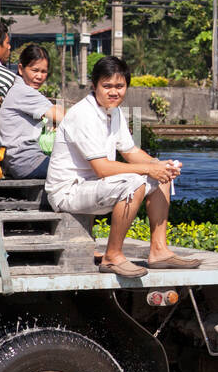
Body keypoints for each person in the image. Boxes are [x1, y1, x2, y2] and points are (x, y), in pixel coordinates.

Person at [46, 56, 199, 276]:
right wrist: (148, 169)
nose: (113, 92)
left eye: (119, 86)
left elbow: (130, 152)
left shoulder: (114, 111)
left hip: (96, 186)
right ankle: (112, 257)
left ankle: (159, 250)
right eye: (106, 86)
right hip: (68, 192)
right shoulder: (83, 115)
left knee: (161, 174)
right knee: (135, 182)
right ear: (94, 86)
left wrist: (161, 165)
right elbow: (102, 168)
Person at [0, 44, 65, 179]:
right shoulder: (23, 91)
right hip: (27, 162)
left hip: (23, 161)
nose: (39, 76)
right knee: (84, 168)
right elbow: (62, 116)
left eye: (43, 71)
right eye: (35, 70)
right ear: (21, 69)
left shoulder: (20, 91)